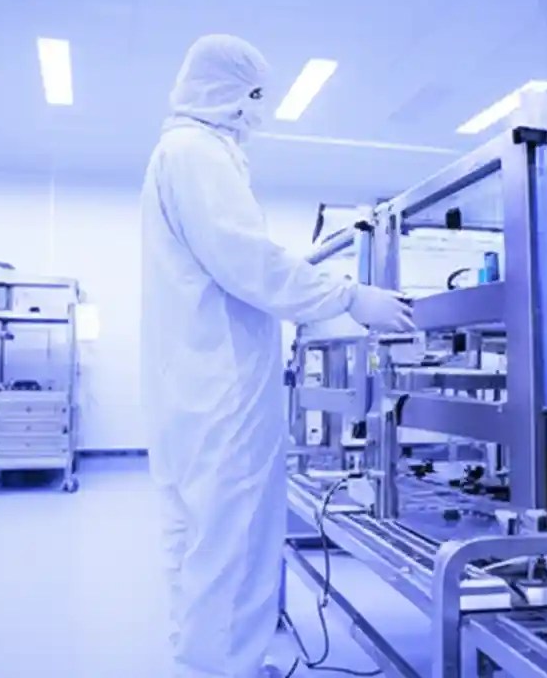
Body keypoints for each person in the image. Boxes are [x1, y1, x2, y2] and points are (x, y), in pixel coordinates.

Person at [139, 34, 415, 678]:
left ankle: (205, 660)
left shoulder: (177, 153)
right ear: (233, 94)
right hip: (221, 392)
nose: (257, 113)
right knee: (232, 543)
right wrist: (351, 295)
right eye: (254, 97)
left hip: (188, 387)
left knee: (197, 539)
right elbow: (248, 261)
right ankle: (226, 668)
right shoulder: (198, 154)